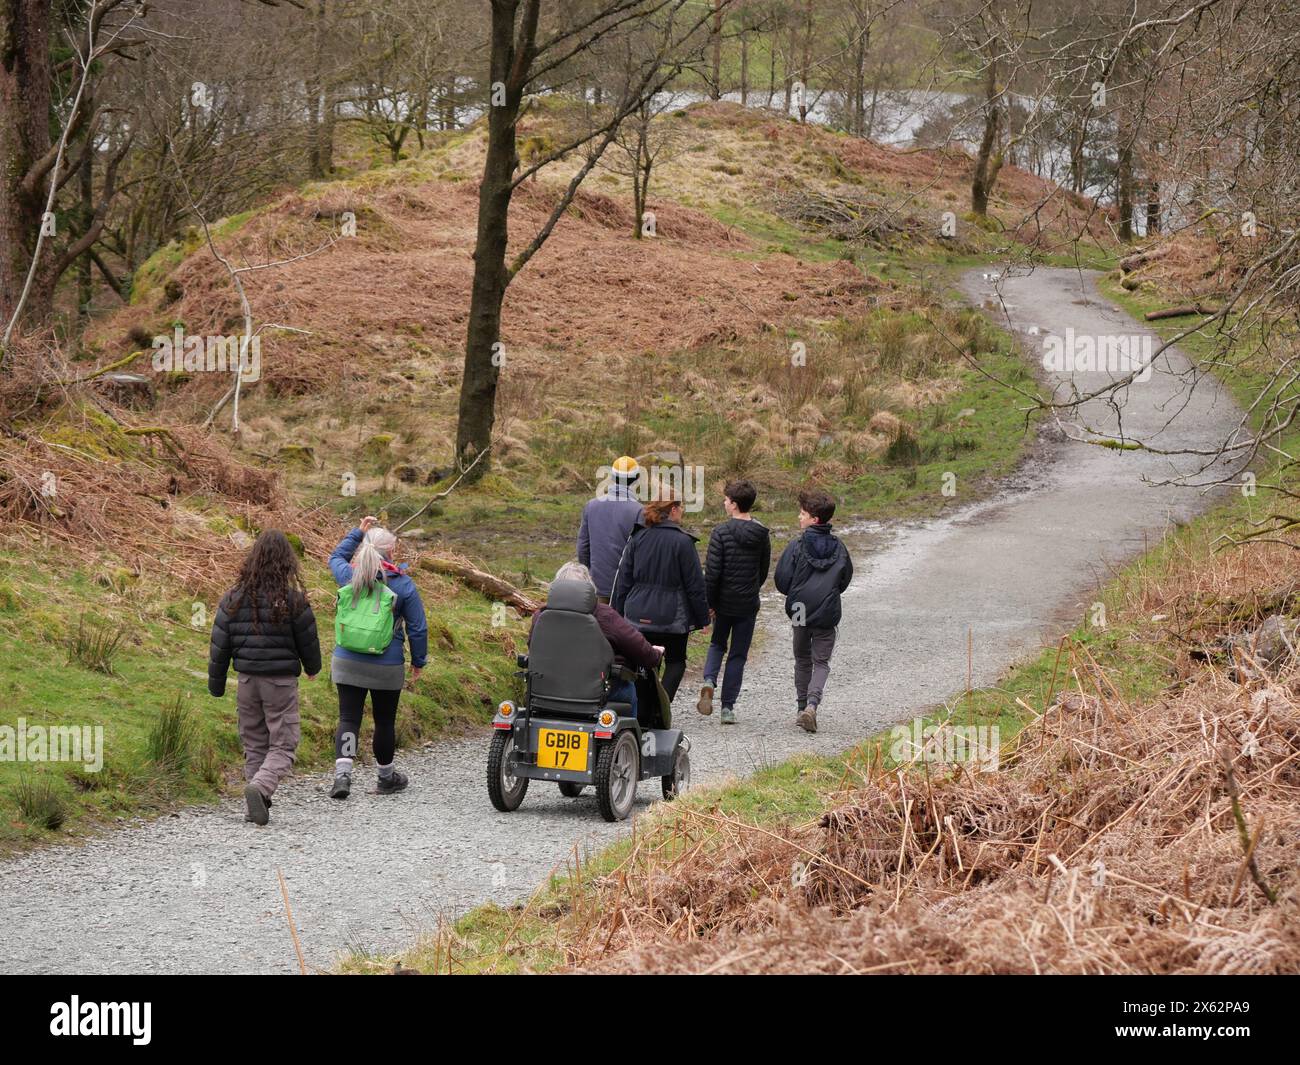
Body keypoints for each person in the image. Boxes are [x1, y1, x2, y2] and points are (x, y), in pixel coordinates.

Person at [208, 529, 321, 827]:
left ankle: (256, 805)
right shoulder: (293, 601)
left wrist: (216, 683)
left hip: (246, 682)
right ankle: (260, 788)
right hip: (280, 683)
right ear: (287, 562)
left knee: (255, 742)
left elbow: (220, 644)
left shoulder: (232, 598)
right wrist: (313, 667)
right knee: (284, 744)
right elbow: (308, 640)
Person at [327, 516, 428, 799]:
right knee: (384, 721)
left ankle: (343, 776)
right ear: (391, 552)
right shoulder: (404, 585)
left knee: (348, 718)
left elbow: (335, 556)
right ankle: (386, 778)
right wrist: (418, 661)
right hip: (387, 664)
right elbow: (418, 628)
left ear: (365, 549)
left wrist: (358, 532)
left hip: (347, 660)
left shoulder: (348, 575)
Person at [611, 491, 709, 702]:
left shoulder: (637, 537)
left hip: (637, 614)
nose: (682, 511)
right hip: (671, 618)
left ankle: (643, 708)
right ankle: (660, 706)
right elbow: (695, 585)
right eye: (681, 507)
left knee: (641, 662)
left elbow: (623, 581)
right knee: (676, 662)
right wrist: (703, 619)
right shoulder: (683, 542)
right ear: (672, 509)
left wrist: (618, 614)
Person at [535, 562, 664, 717]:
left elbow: (533, 647)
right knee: (628, 689)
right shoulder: (605, 616)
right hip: (598, 695)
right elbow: (639, 648)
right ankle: (634, 739)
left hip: (547, 691)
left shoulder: (540, 617)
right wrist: (655, 654)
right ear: (588, 589)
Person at [774, 488, 853, 734]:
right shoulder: (840, 548)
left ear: (814, 519)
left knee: (802, 659)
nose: (799, 517)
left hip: (799, 610)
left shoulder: (796, 545)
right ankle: (812, 705)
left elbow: (781, 579)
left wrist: (796, 593)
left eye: (802, 513)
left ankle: (801, 707)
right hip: (827, 612)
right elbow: (845, 578)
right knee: (821, 661)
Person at [698, 479, 771, 725]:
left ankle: (709, 680)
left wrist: (710, 603)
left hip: (723, 602)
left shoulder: (720, 532)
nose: (724, 503)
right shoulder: (761, 534)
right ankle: (727, 707)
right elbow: (763, 570)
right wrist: (750, 589)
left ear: (734, 505)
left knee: (717, 644)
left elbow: (713, 573)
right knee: (738, 655)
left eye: (727, 500)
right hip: (747, 603)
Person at [577, 455, 644, 602]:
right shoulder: (640, 511)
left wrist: (589, 575)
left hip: (597, 586)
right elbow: (642, 554)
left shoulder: (591, 506)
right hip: (628, 591)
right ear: (637, 478)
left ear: (613, 477)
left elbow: (583, 548)